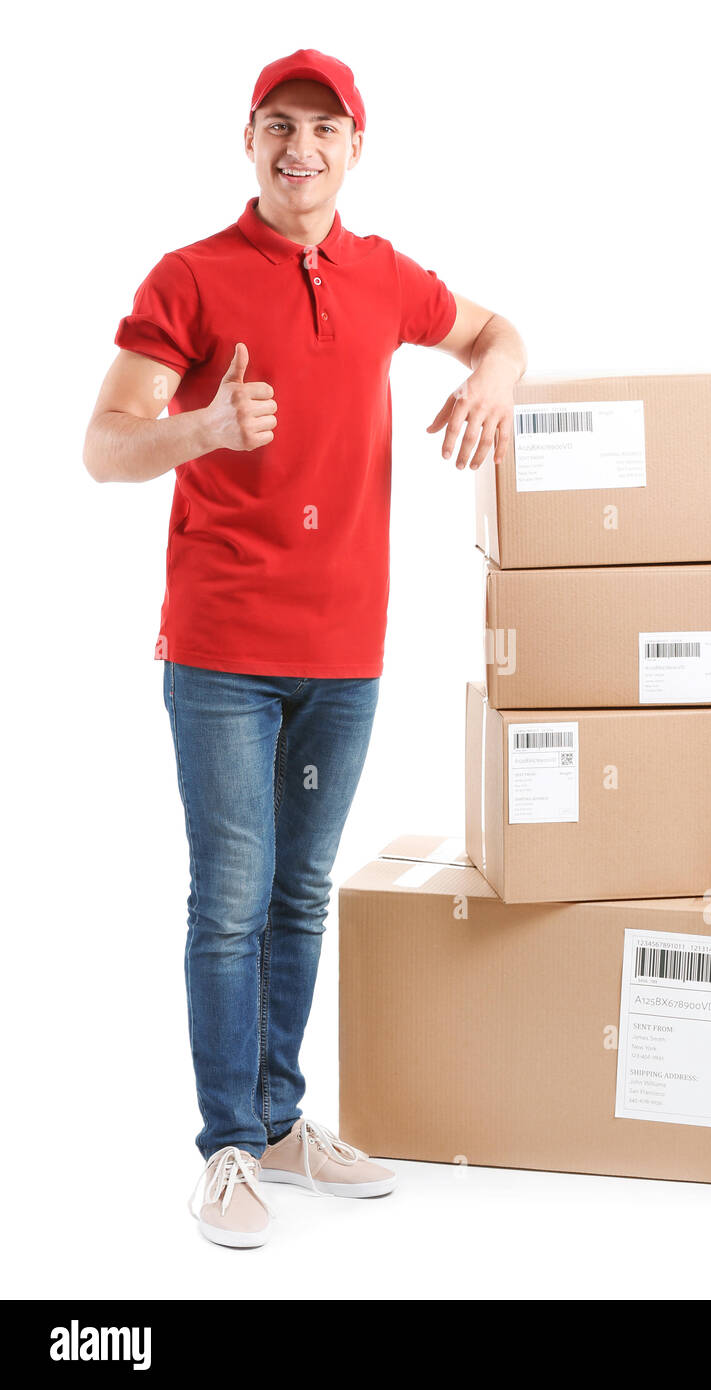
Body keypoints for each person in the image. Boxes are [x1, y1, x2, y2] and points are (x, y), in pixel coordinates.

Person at [83, 48, 527, 1249]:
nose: (301, 148)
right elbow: (104, 444)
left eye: (324, 129)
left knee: (299, 892)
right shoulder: (189, 276)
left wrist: (493, 377)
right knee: (230, 897)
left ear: (353, 149)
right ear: (249, 140)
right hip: (223, 650)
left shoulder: (382, 276)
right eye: (279, 125)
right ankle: (228, 1145)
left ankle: (281, 1123)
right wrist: (203, 427)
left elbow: (495, 331)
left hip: (344, 651)